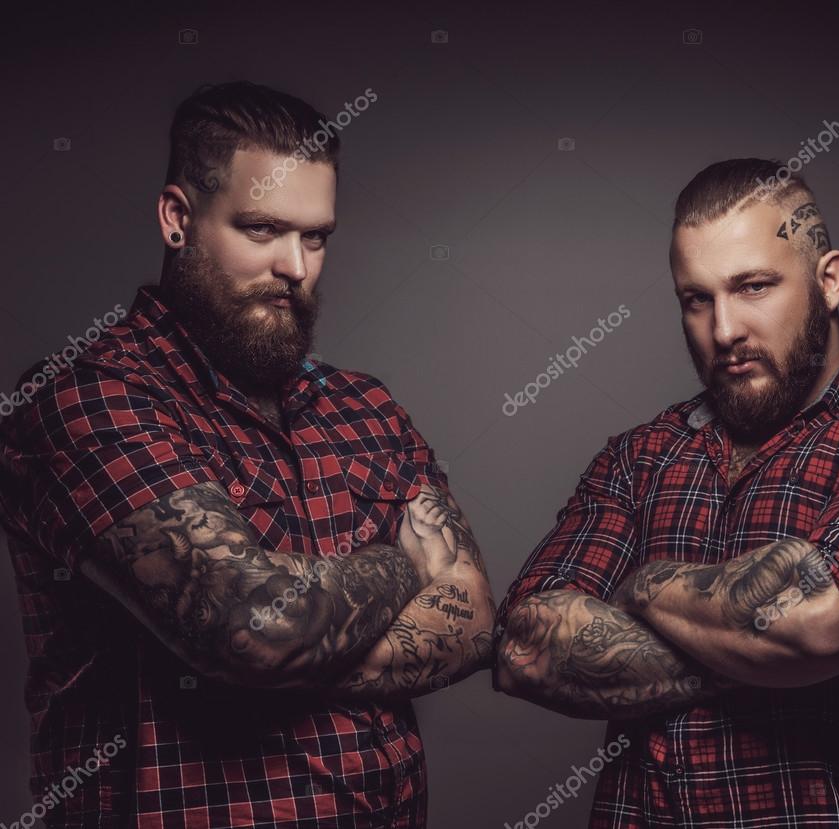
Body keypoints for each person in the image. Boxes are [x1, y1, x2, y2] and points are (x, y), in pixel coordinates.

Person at [0, 80, 494, 829]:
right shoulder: (83, 400)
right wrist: (402, 567)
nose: (295, 266)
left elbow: (473, 621)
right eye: (262, 229)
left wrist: (289, 648)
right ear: (178, 218)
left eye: (317, 236)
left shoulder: (365, 407)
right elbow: (254, 629)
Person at [493, 158, 839, 827]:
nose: (725, 329)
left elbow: (814, 622)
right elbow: (525, 648)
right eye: (697, 298)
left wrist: (643, 589)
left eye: (754, 286)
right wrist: (753, 648)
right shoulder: (639, 455)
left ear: (830, 280)